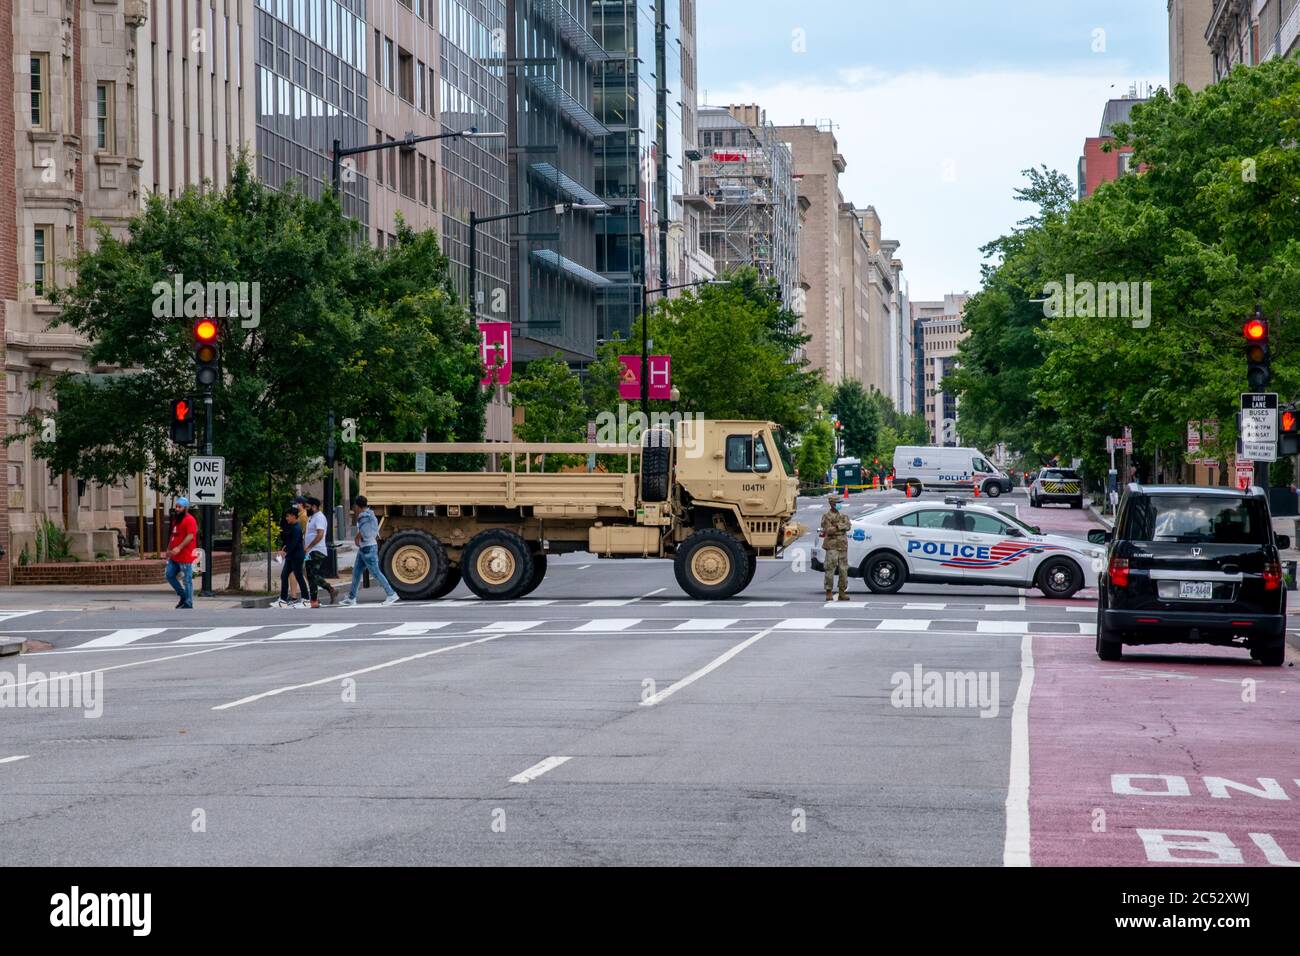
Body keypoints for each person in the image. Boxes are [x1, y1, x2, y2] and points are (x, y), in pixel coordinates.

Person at [337, 495, 400, 607]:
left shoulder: (364, 516)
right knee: (356, 572)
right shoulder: (370, 514)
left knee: (375, 573)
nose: (354, 508)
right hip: (365, 548)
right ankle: (351, 597)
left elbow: (365, 532)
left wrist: (357, 537)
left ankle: (391, 594)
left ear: (357, 506)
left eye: (355, 506)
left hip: (368, 548)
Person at [302, 497, 337, 608]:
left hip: (317, 550)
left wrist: (309, 546)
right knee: (310, 574)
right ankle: (329, 590)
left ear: (314, 506)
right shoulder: (312, 517)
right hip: (310, 550)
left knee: (312, 575)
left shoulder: (319, 517)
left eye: (307, 507)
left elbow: (320, 534)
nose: (306, 509)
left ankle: (314, 600)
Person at [165, 497, 198, 609]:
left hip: (185, 555)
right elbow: (173, 536)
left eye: (180, 507)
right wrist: (168, 549)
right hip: (174, 556)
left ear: (185, 508)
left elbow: (190, 536)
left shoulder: (190, 520)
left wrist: (179, 547)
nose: (177, 509)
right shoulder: (176, 520)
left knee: (187, 579)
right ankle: (183, 596)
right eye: (177, 506)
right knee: (169, 575)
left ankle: (188, 602)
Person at [274, 506, 310, 609]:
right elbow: (287, 542)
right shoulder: (292, 527)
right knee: (284, 576)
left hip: (297, 556)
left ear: (294, 516)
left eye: (288, 516)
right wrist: (283, 550)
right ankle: (283, 600)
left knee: (298, 576)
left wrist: (283, 552)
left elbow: (293, 544)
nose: (287, 518)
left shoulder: (296, 528)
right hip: (291, 557)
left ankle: (306, 599)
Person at [820, 494, 852, 601]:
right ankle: (828, 591)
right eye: (837, 503)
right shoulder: (826, 516)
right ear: (831, 503)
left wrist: (837, 526)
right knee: (830, 568)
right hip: (832, 545)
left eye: (839, 503)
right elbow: (828, 530)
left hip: (842, 545)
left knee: (843, 569)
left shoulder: (843, 515)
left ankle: (842, 592)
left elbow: (848, 526)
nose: (839, 505)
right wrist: (839, 526)